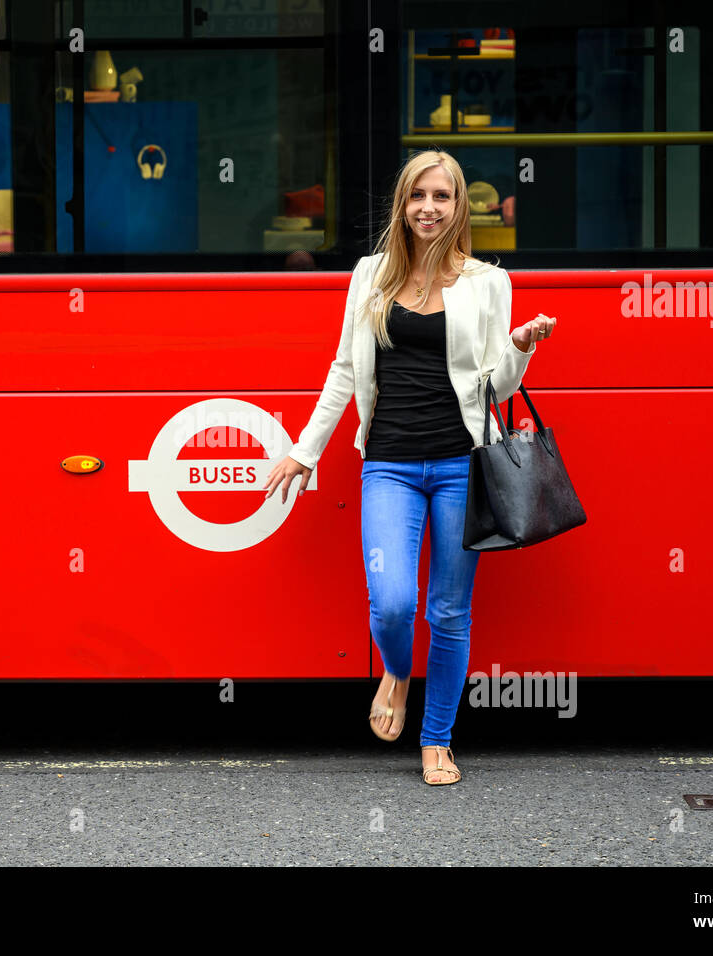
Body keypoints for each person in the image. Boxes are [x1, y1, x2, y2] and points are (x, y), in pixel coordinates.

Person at [262, 150, 558, 785]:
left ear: (459, 208)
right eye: (418, 195)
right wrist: (304, 450)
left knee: (449, 612)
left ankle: (436, 740)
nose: (430, 207)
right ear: (403, 203)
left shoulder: (488, 282)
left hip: (461, 462)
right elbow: (345, 369)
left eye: (443, 197)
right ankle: (397, 673)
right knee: (393, 605)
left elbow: (496, 389)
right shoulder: (371, 274)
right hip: (389, 465)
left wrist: (521, 348)